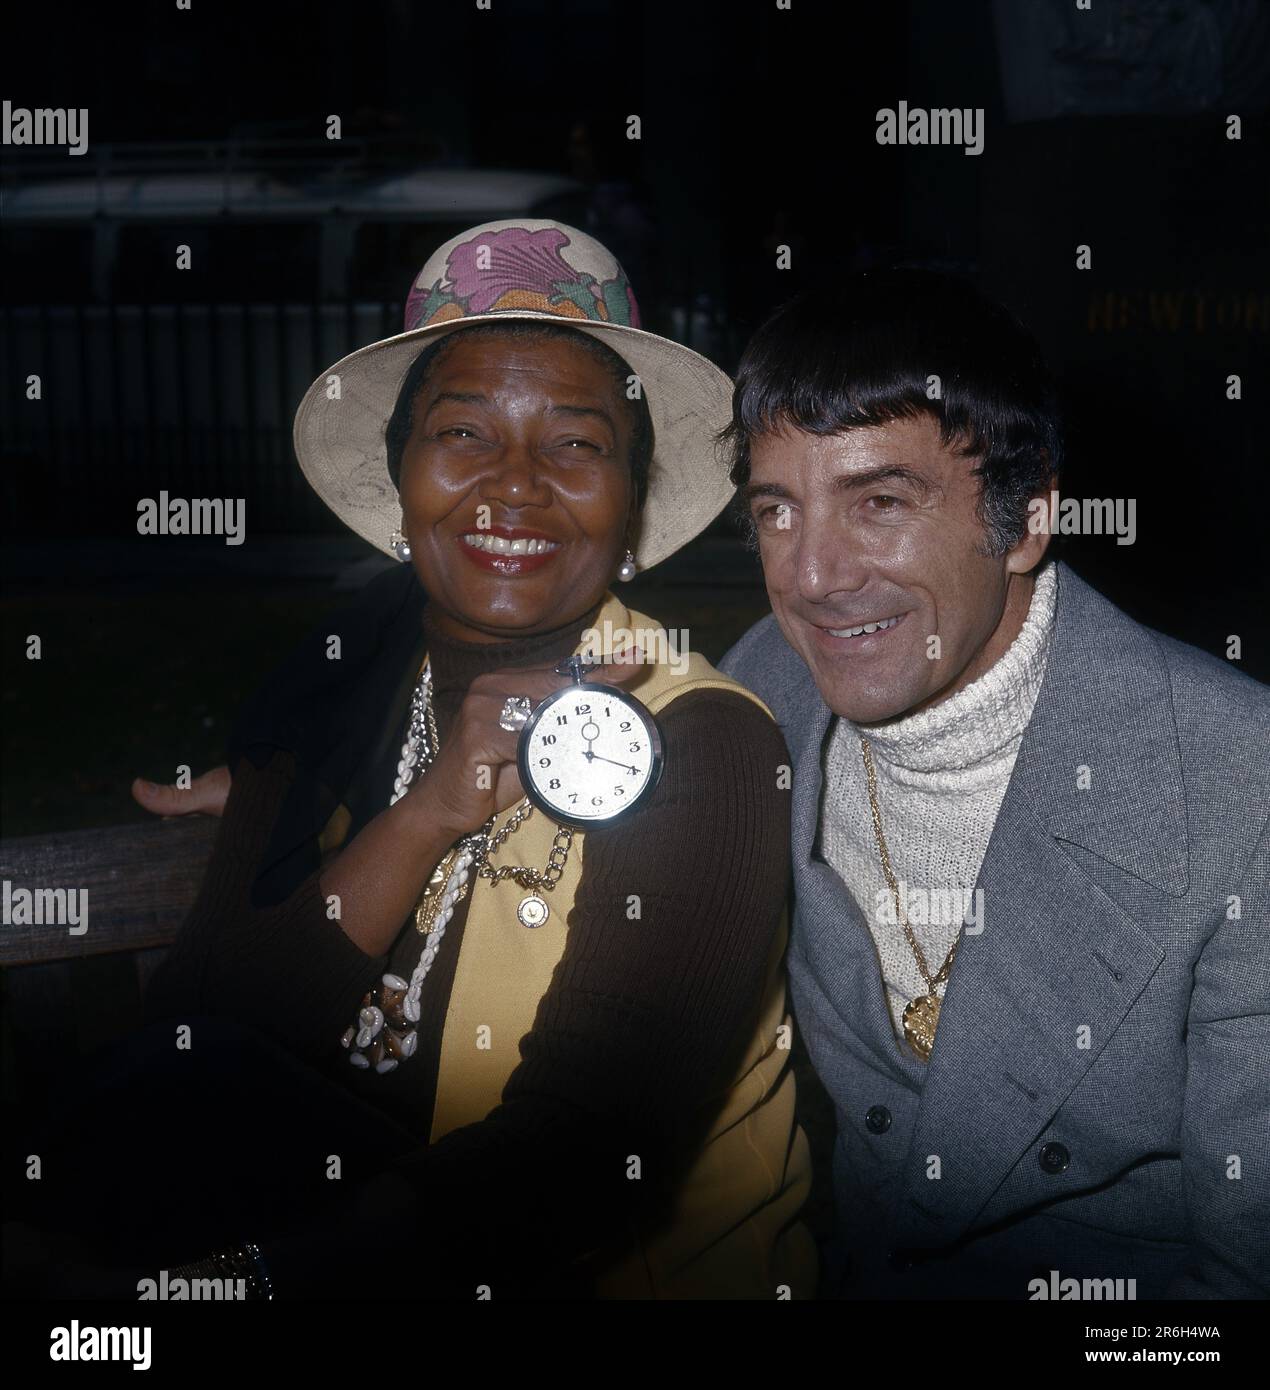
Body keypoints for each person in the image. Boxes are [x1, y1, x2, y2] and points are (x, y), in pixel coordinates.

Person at [6, 220, 815, 1300]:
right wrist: (428, 808)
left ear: (631, 509)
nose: (514, 485)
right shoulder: (335, 699)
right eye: (464, 434)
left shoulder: (698, 740)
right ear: (399, 486)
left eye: (575, 444)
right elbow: (204, 1026)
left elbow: (583, 1156)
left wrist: (214, 1288)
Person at [717, 269, 1270, 1299]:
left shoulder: (1241, 785)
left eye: (878, 501)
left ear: (1024, 523)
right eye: (777, 511)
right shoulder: (756, 689)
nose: (812, 575)